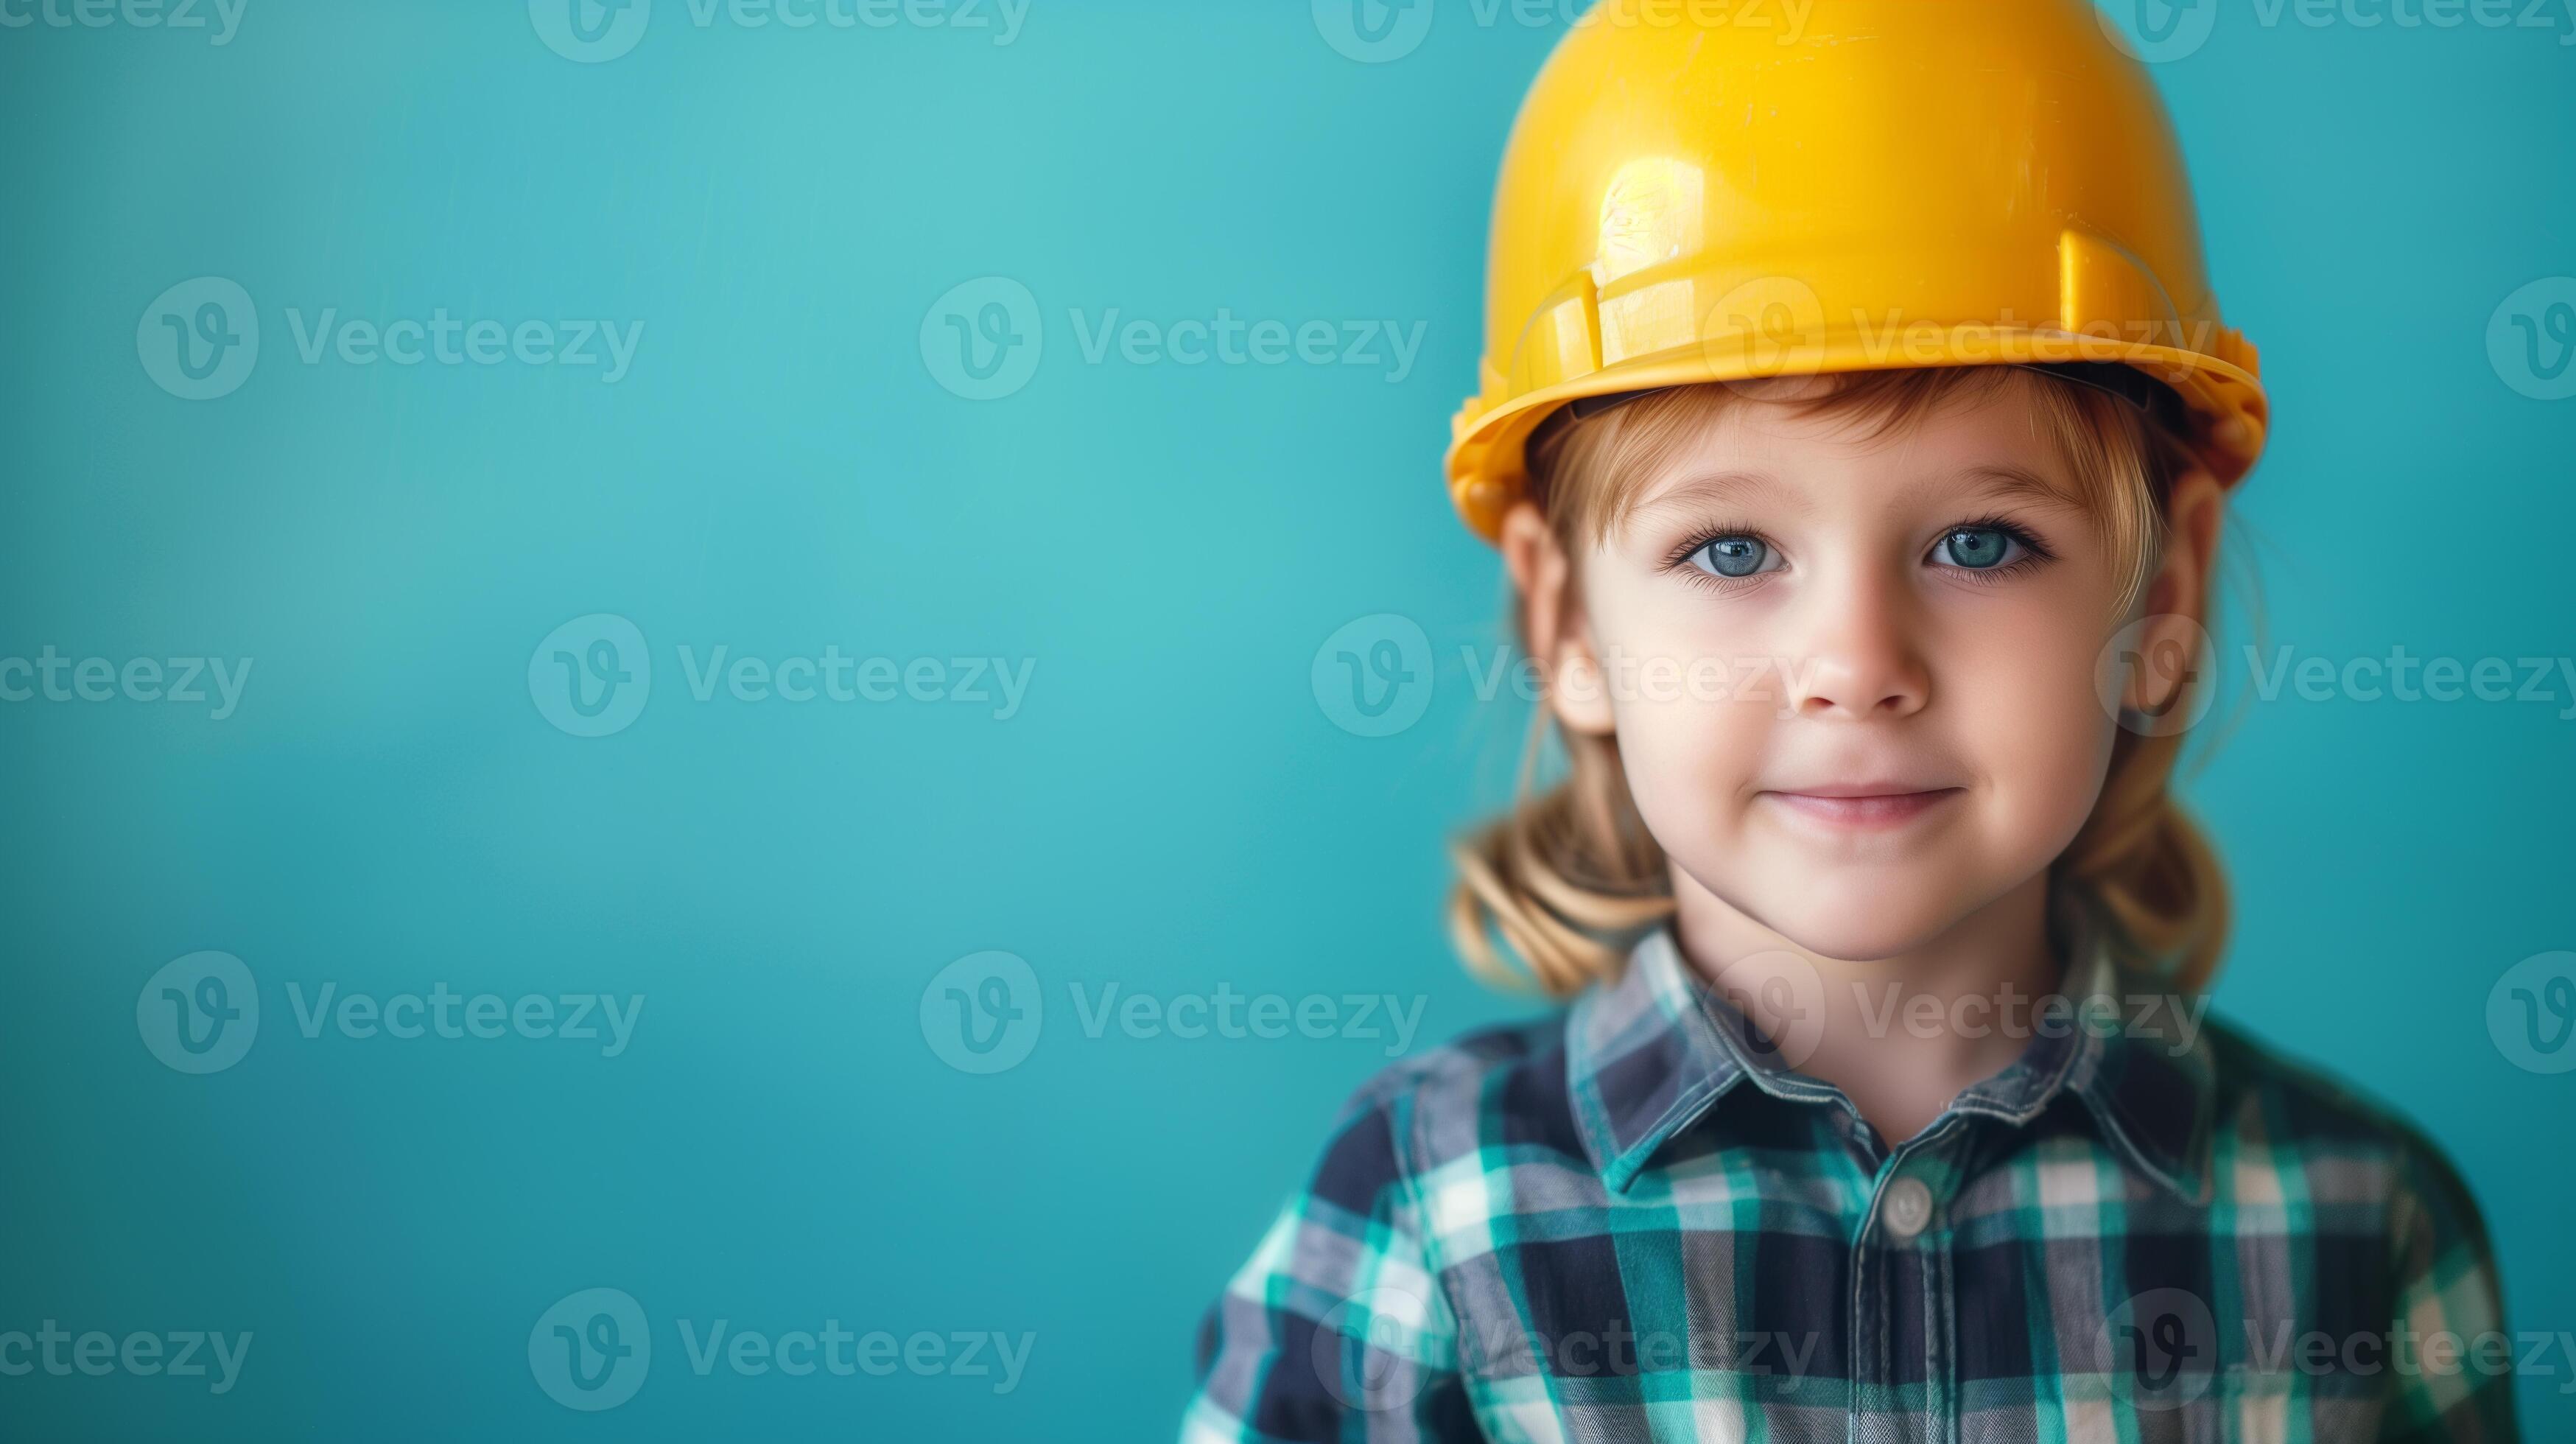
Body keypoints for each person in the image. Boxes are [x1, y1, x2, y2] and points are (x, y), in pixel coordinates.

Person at [1182, 1, 2519, 1439]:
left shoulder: (2356, 1225)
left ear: (2164, 590)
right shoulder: (1422, 1221)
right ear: (1568, 623)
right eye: (1733, 550)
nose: (1858, 666)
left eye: (1981, 542)